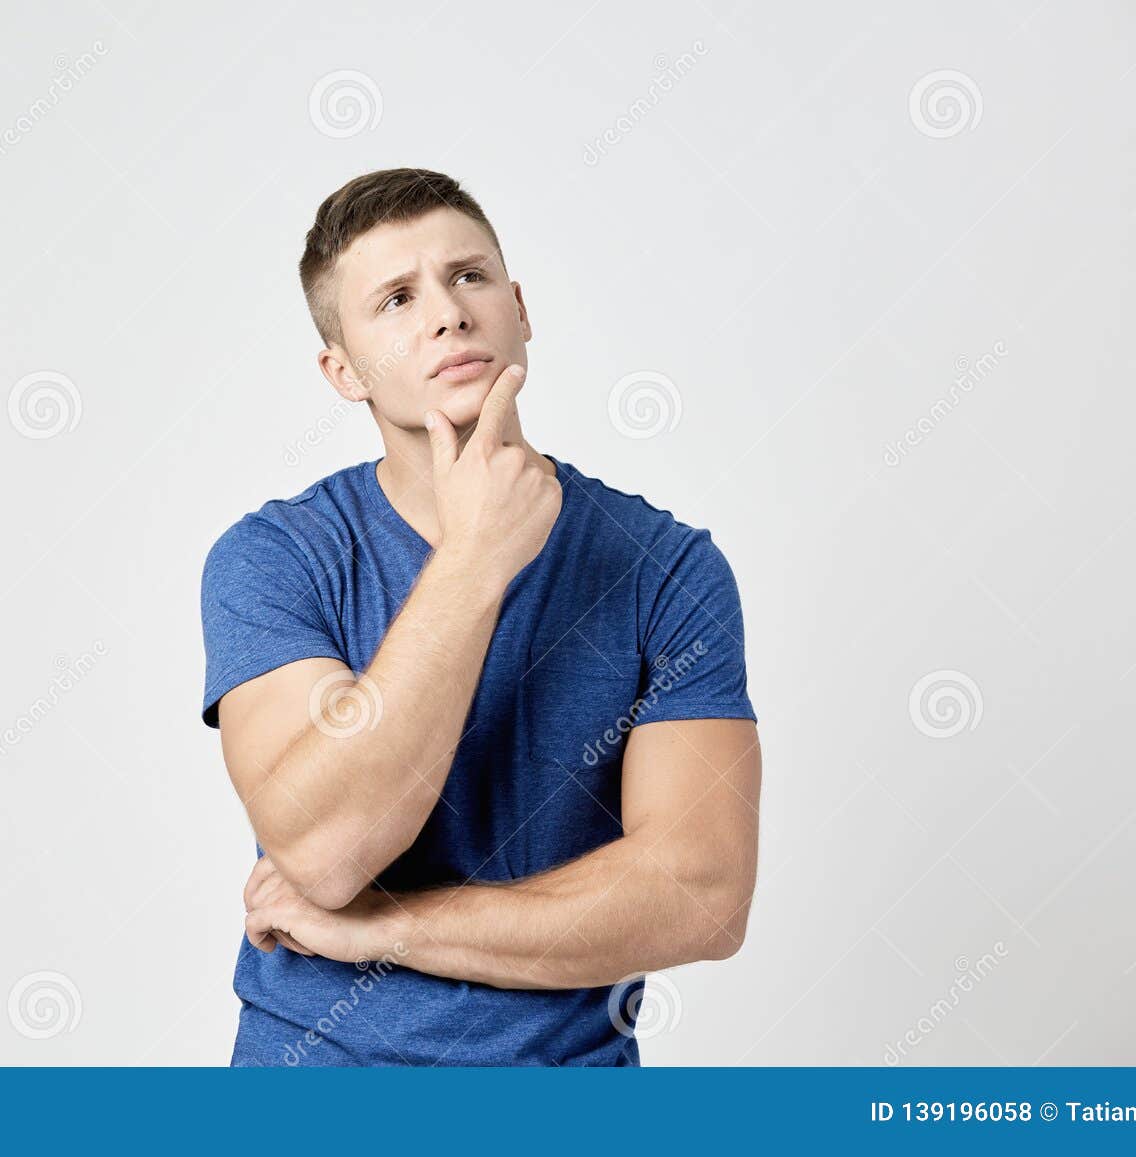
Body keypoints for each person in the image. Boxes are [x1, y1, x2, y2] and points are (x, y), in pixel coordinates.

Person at [199, 167, 761, 1066]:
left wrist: (386, 928)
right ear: (342, 370)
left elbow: (703, 895)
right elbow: (327, 852)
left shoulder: (668, 567)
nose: (448, 314)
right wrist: (473, 562)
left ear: (520, 307)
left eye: (470, 277)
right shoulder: (274, 558)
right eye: (395, 299)